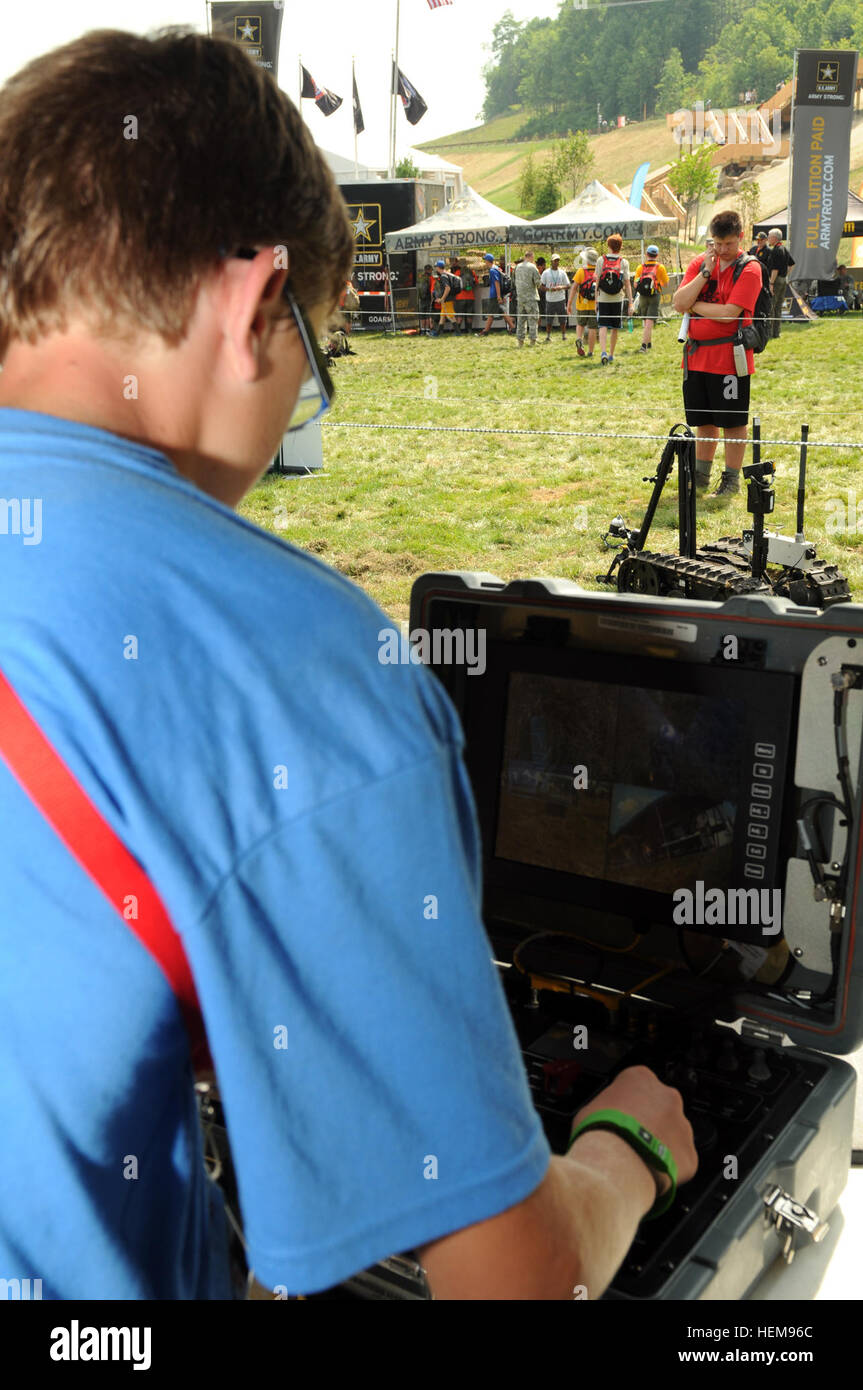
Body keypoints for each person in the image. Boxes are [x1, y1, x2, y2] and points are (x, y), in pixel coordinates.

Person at [0, 28, 699, 1304]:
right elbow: (512, 1284)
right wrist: (623, 1152)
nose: (283, 438)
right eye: (309, 368)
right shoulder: (305, 663)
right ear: (252, 302)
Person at [672, 208, 764, 499]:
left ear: (740, 238)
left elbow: (728, 314)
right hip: (697, 356)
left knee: (733, 422)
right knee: (704, 420)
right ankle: (700, 476)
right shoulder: (701, 263)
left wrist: (694, 305)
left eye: (728, 244)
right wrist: (704, 274)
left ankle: (731, 480)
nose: (723, 250)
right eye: (717, 244)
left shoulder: (750, 268)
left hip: (730, 357)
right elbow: (678, 302)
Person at [595, 233, 634, 365]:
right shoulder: (624, 262)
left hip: (603, 298)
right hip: (618, 298)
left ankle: (603, 352)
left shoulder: (601, 260)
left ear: (609, 246)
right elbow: (627, 283)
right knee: (615, 328)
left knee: (603, 326)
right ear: (620, 246)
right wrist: (631, 303)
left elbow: (597, 282)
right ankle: (611, 354)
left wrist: (596, 300)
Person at [631, 244, 668, 351]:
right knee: (649, 321)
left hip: (642, 296)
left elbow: (635, 284)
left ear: (647, 254)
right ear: (657, 255)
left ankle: (649, 342)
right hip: (654, 296)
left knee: (647, 321)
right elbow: (665, 284)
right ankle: (643, 345)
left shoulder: (640, 267)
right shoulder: (660, 267)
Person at [567, 249, 599, 358]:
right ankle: (590, 351)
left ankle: (579, 339)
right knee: (592, 328)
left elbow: (574, 288)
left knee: (580, 324)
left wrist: (569, 303)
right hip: (595, 305)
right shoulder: (599, 272)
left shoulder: (581, 271)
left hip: (581, 305)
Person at [765, 228, 794, 338]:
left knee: (771, 306)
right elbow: (792, 264)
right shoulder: (784, 249)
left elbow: (774, 269)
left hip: (775, 280)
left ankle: (770, 333)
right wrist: (785, 274)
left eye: (769, 236)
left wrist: (771, 283)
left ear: (774, 238)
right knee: (778, 307)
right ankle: (777, 332)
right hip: (783, 280)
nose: (768, 238)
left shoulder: (775, 250)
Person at [478, 251, 515, 334]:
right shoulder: (497, 268)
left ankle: (485, 331)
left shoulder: (492, 270)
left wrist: (498, 296)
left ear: (488, 261)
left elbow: (496, 283)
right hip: (497, 294)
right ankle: (513, 328)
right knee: (502, 312)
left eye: (485, 261)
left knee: (491, 314)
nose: (485, 262)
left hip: (494, 295)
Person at [540, 253, 571, 343]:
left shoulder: (562, 272)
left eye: (558, 260)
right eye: (555, 261)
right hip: (550, 300)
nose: (557, 262)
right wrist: (549, 289)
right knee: (549, 319)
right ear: (551, 262)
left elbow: (568, 285)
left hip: (560, 299)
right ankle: (548, 336)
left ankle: (564, 335)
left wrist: (561, 287)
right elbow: (541, 286)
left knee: (562, 319)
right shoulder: (546, 273)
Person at [513, 249, 541, 345]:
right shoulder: (533, 267)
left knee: (521, 320)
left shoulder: (517, 267)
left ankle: (520, 341)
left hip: (520, 298)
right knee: (533, 319)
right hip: (531, 298)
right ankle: (533, 340)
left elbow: (514, 282)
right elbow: (538, 283)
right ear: (531, 257)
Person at [429, 257, 457, 337]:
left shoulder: (443, 276)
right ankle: (437, 333)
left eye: (436, 267)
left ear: (438, 267)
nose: (435, 269)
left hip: (447, 299)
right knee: (442, 316)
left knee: (451, 316)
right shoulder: (445, 274)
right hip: (446, 299)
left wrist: (442, 298)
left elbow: (447, 288)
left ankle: (458, 332)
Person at [418, 262, 434, 334]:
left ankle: (422, 330)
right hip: (428, 299)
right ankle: (427, 330)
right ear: (430, 270)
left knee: (422, 315)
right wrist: (432, 299)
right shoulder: (431, 278)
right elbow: (432, 290)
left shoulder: (420, 277)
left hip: (421, 299)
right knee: (428, 315)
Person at [535, 256, 548, 333]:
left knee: (545, 311)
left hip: (544, 294)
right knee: (538, 311)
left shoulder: (545, 273)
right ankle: (538, 327)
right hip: (538, 294)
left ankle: (547, 326)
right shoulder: (536, 272)